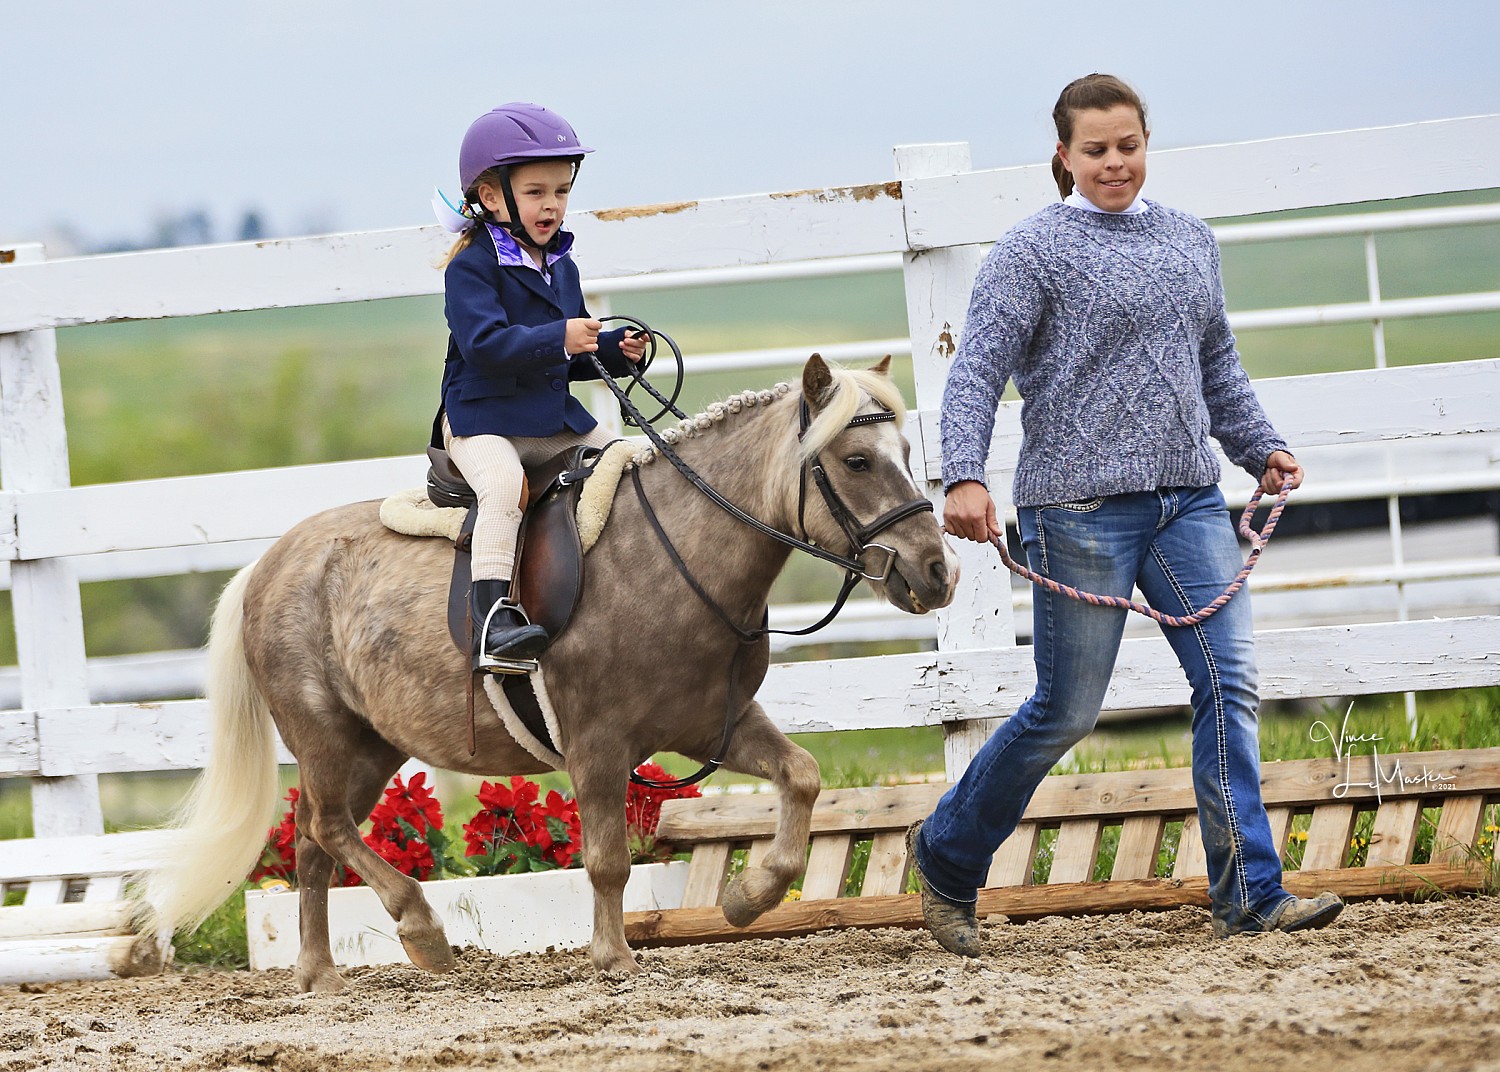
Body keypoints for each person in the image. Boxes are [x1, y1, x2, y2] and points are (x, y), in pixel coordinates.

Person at [907, 73, 1343, 954]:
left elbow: (1215, 363)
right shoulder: (1031, 252)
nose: (1116, 162)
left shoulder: (1190, 240)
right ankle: (947, 855)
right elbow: (977, 370)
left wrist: (1259, 446)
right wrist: (964, 476)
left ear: (1148, 143)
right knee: (1066, 710)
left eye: (1129, 146)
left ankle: (1251, 893)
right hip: (1078, 509)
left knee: (1229, 685)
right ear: (1064, 155)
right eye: (1097, 149)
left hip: (1188, 501)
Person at [431, 102, 646, 673]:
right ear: (491, 196)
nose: (552, 205)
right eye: (536, 192)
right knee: (505, 488)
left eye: (561, 191)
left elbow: (565, 359)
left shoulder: (560, 265)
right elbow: (486, 346)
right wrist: (561, 336)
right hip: (482, 421)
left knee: (632, 463)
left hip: (547, 419)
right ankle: (492, 621)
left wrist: (613, 350)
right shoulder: (470, 269)